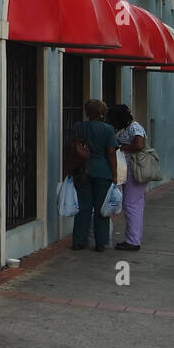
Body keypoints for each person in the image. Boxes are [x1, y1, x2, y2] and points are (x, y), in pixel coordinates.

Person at [69, 99, 118, 252]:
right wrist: (114, 174)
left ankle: (78, 241)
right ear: (102, 113)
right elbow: (111, 153)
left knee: (83, 206)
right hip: (103, 171)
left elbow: (74, 146)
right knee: (101, 208)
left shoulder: (80, 127)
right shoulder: (108, 129)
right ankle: (100, 242)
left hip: (84, 170)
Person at [107, 103, 148, 251]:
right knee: (136, 204)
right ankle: (134, 238)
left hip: (134, 171)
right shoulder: (129, 128)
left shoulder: (134, 127)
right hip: (130, 171)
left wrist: (123, 147)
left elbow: (139, 144)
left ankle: (133, 241)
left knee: (130, 204)